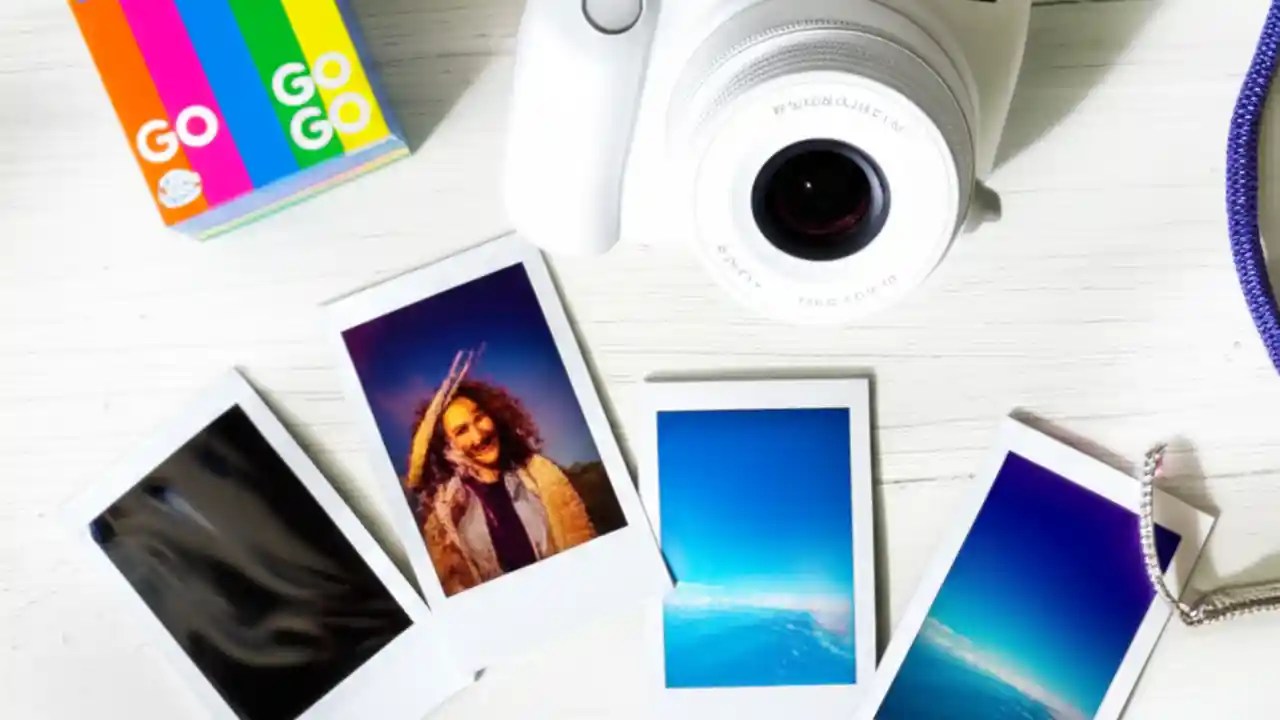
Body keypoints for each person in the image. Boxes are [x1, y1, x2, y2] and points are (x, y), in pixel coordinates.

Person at [404, 350, 596, 596]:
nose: (479, 435)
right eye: (462, 431)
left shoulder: (542, 477)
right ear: (448, 448)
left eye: (479, 417)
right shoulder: (447, 513)